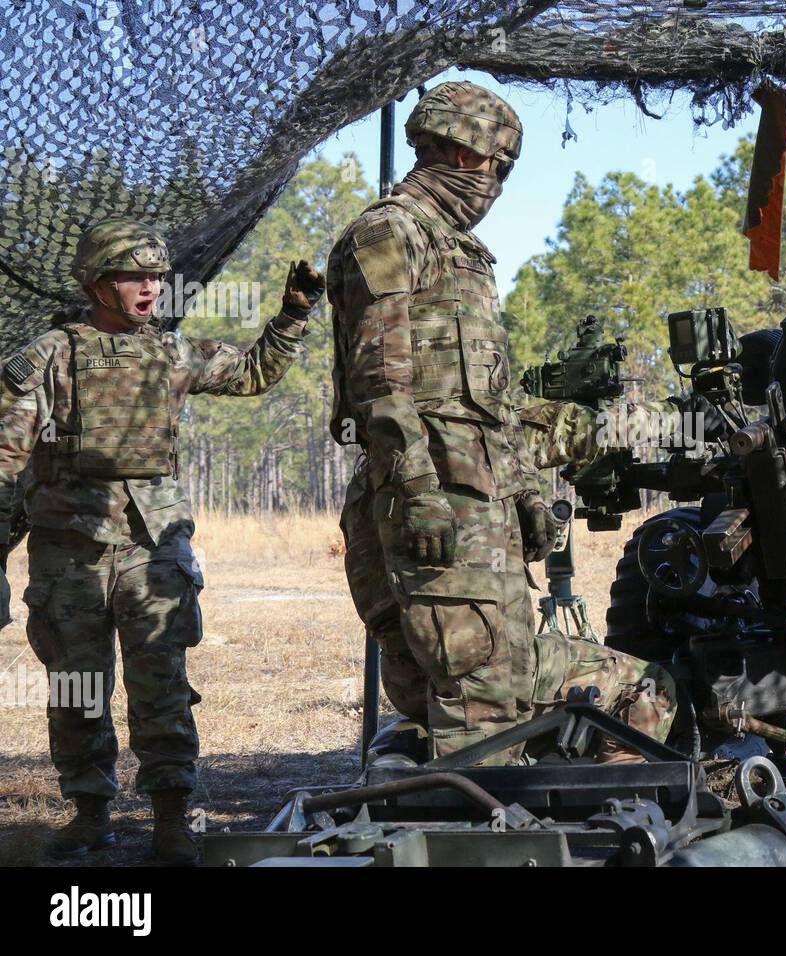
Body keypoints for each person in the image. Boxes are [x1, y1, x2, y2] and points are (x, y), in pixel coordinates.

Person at [329, 82, 675, 764]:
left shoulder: (455, 251)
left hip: (469, 522)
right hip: (443, 523)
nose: (499, 186)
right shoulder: (392, 233)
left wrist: (544, 475)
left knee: (596, 694)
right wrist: (422, 494)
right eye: (501, 167)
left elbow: (488, 413)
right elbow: (381, 387)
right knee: (482, 725)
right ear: (464, 152)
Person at [0, 218, 324, 862]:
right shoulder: (52, 356)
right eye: (134, 275)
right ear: (97, 282)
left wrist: (292, 316)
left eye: (156, 276)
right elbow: (7, 455)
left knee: (162, 683)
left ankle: (170, 816)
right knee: (76, 686)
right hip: (69, 551)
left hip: (153, 548)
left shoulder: (171, 353)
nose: (151, 288)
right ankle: (90, 812)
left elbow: (254, 374)